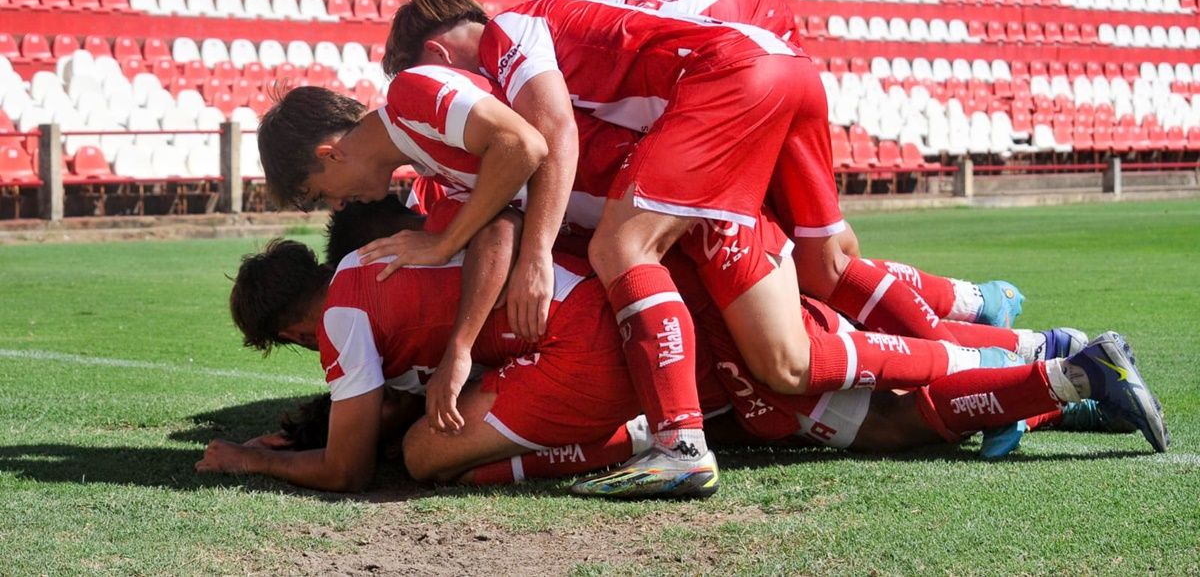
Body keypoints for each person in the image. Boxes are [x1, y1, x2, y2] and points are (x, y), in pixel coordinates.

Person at [197, 204, 1168, 493]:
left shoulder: (344, 325)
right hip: (652, 302)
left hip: (633, 346)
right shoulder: (377, 256)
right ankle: (1052, 373)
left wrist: (246, 457)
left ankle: (1056, 365)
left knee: (858, 398)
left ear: (287, 325)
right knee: (843, 355)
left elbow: (359, 462)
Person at [597, 0, 1026, 329]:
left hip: (749, 43)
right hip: (689, 24)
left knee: (821, 262)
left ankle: (973, 317)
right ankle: (974, 309)